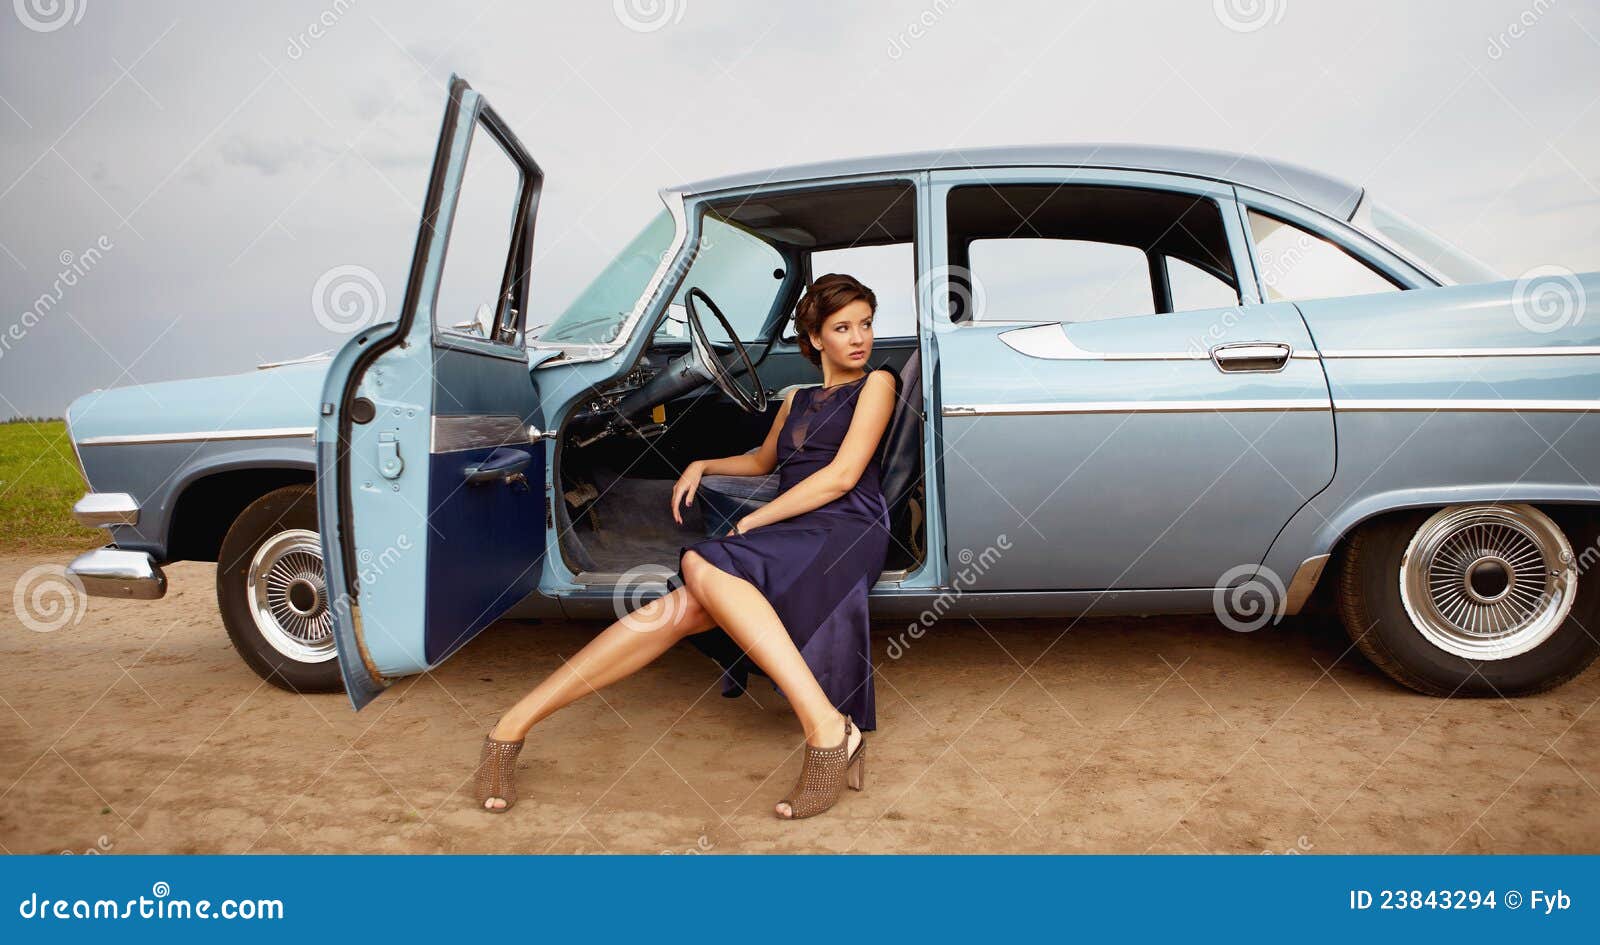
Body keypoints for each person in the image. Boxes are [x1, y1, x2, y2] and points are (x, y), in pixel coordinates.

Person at [475, 273, 899, 820]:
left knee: (701, 559)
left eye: (865, 324)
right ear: (816, 338)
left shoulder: (877, 386)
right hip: (795, 526)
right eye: (843, 328)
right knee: (673, 610)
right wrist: (701, 463)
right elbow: (763, 462)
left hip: (846, 525)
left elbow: (841, 477)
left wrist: (753, 523)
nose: (858, 338)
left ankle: (825, 731)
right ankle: (509, 730)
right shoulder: (797, 398)